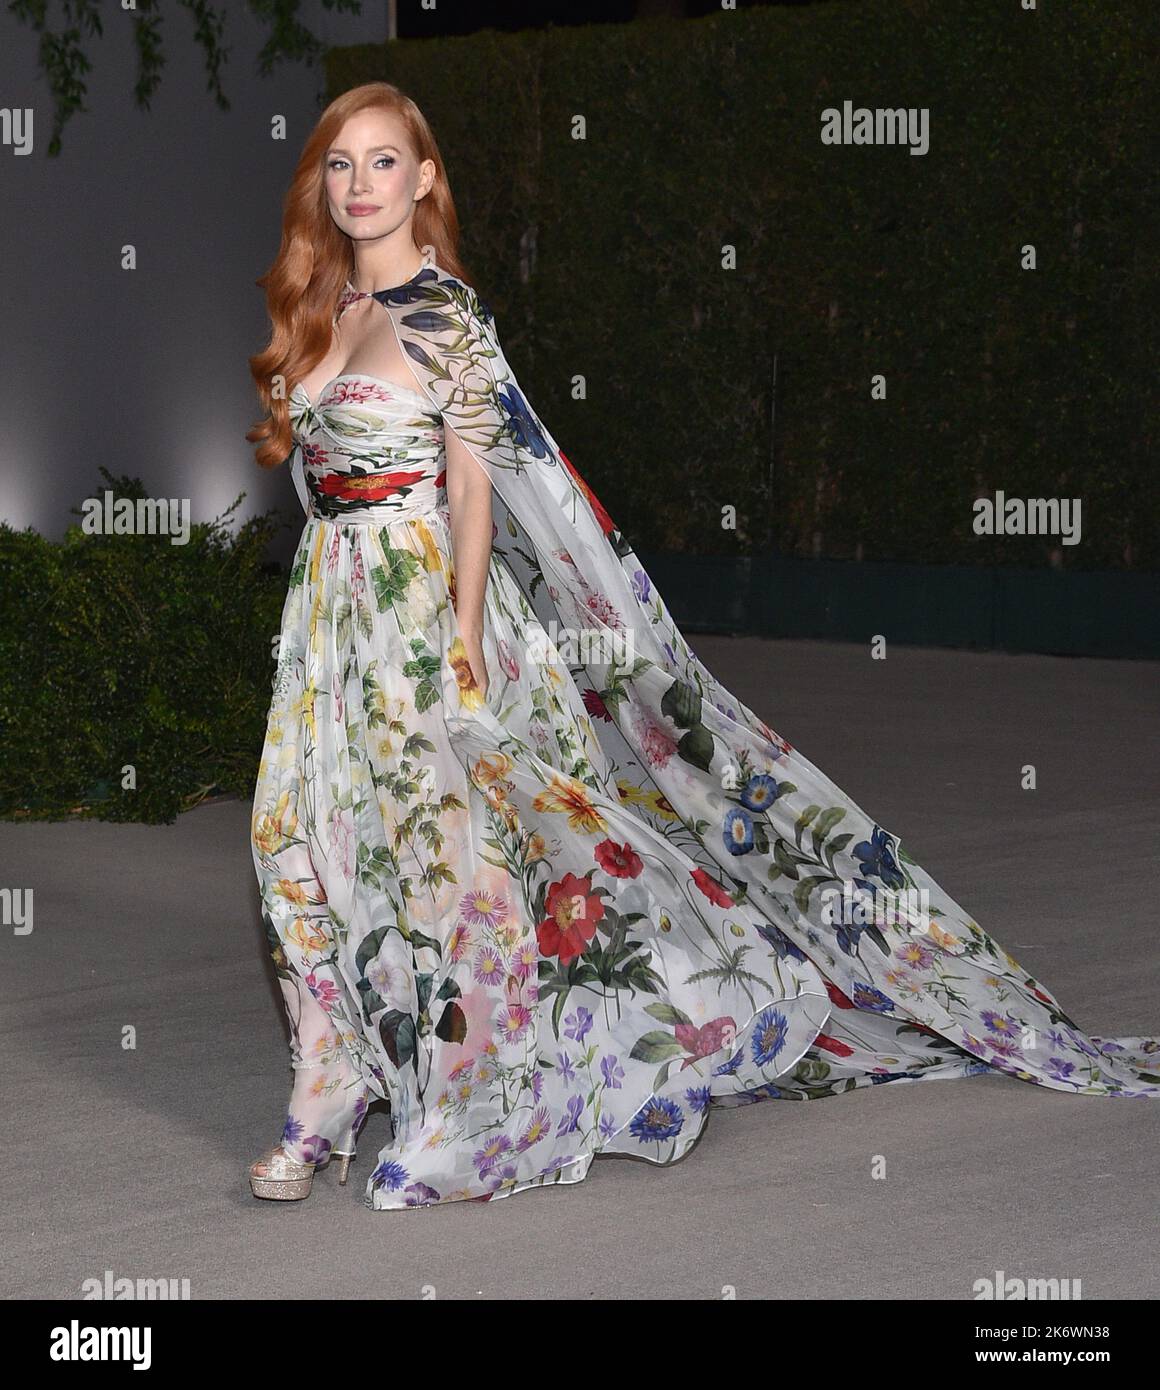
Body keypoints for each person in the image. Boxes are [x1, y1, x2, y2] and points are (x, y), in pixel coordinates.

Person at [245, 82, 1160, 1210]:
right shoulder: (323, 315)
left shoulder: (449, 318)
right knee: (294, 839)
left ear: (423, 180)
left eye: (382, 163)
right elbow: (314, 488)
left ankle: (455, 1113)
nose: (359, 185)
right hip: (327, 621)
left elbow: (476, 487)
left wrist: (466, 629)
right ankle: (327, 1087)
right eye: (340, 165)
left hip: (422, 614)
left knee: (445, 865)